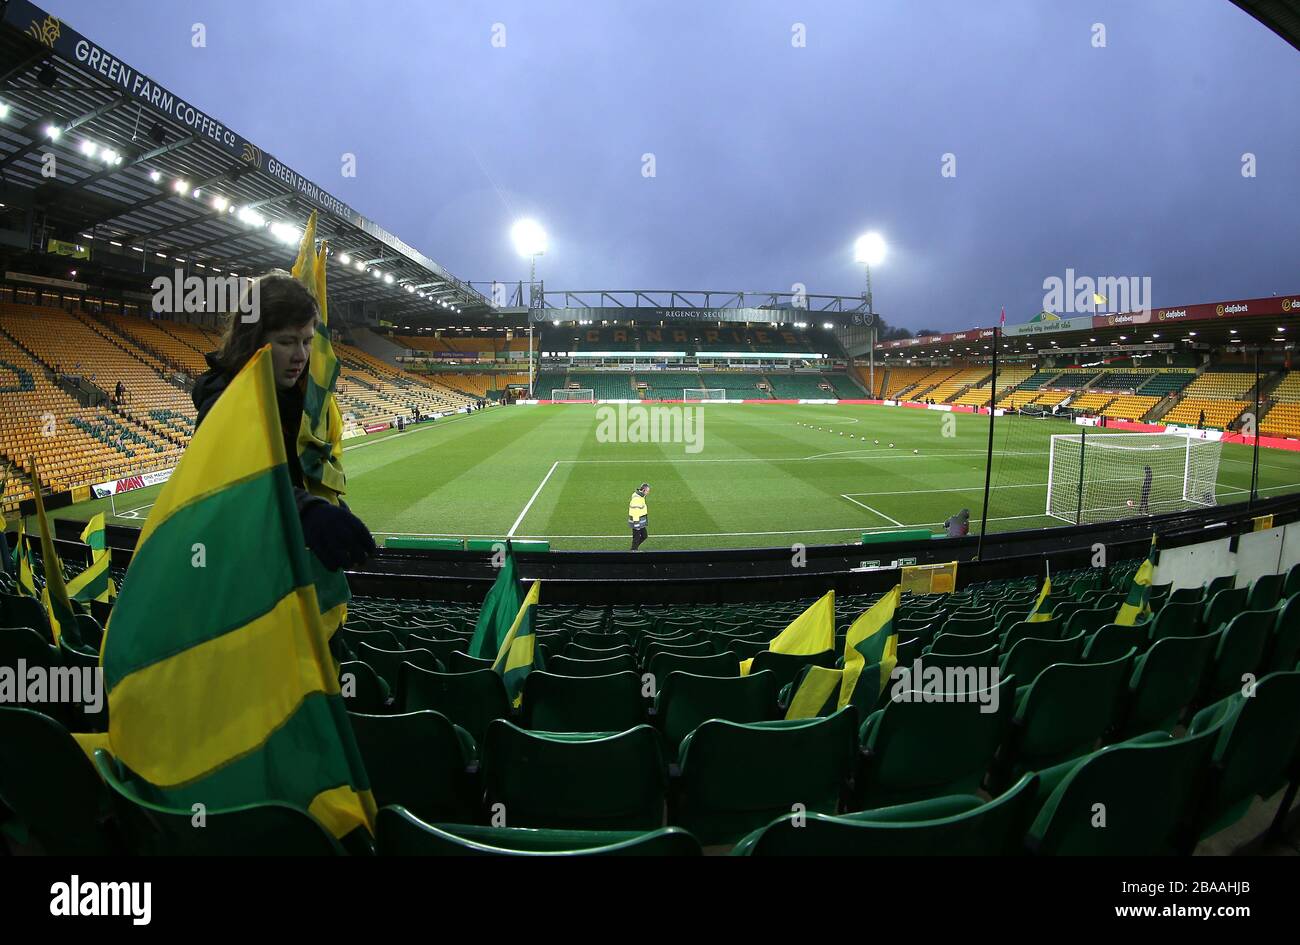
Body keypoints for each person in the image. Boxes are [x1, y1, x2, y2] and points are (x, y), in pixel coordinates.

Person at [191, 269, 376, 572]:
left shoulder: (295, 398)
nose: (301, 355)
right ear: (253, 340)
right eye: (287, 342)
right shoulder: (223, 400)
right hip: (241, 576)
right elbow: (228, 485)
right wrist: (304, 511)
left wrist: (329, 505)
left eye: (307, 341)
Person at [628, 482, 650, 551]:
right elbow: (635, 512)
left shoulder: (640, 496)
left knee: (644, 535)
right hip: (637, 522)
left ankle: (634, 548)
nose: (648, 493)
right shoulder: (637, 499)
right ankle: (633, 550)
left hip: (640, 521)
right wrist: (636, 525)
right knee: (636, 537)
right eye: (647, 491)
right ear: (643, 490)